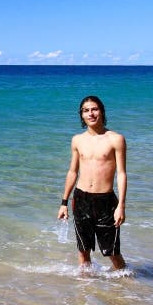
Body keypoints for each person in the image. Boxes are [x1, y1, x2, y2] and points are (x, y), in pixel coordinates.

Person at [57, 95, 127, 270]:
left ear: (102, 111)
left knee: (112, 252)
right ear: (81, 115)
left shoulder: (115, 139)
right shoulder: (77, 140)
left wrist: (121, 206)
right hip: (81, 199)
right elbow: (72, 171)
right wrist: (64, 203)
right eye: (86, 110)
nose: (90, 113)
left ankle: (126, 287)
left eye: (94, 109)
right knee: (83, 250)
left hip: (106, 201)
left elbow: (121, 173)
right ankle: (86, 289)